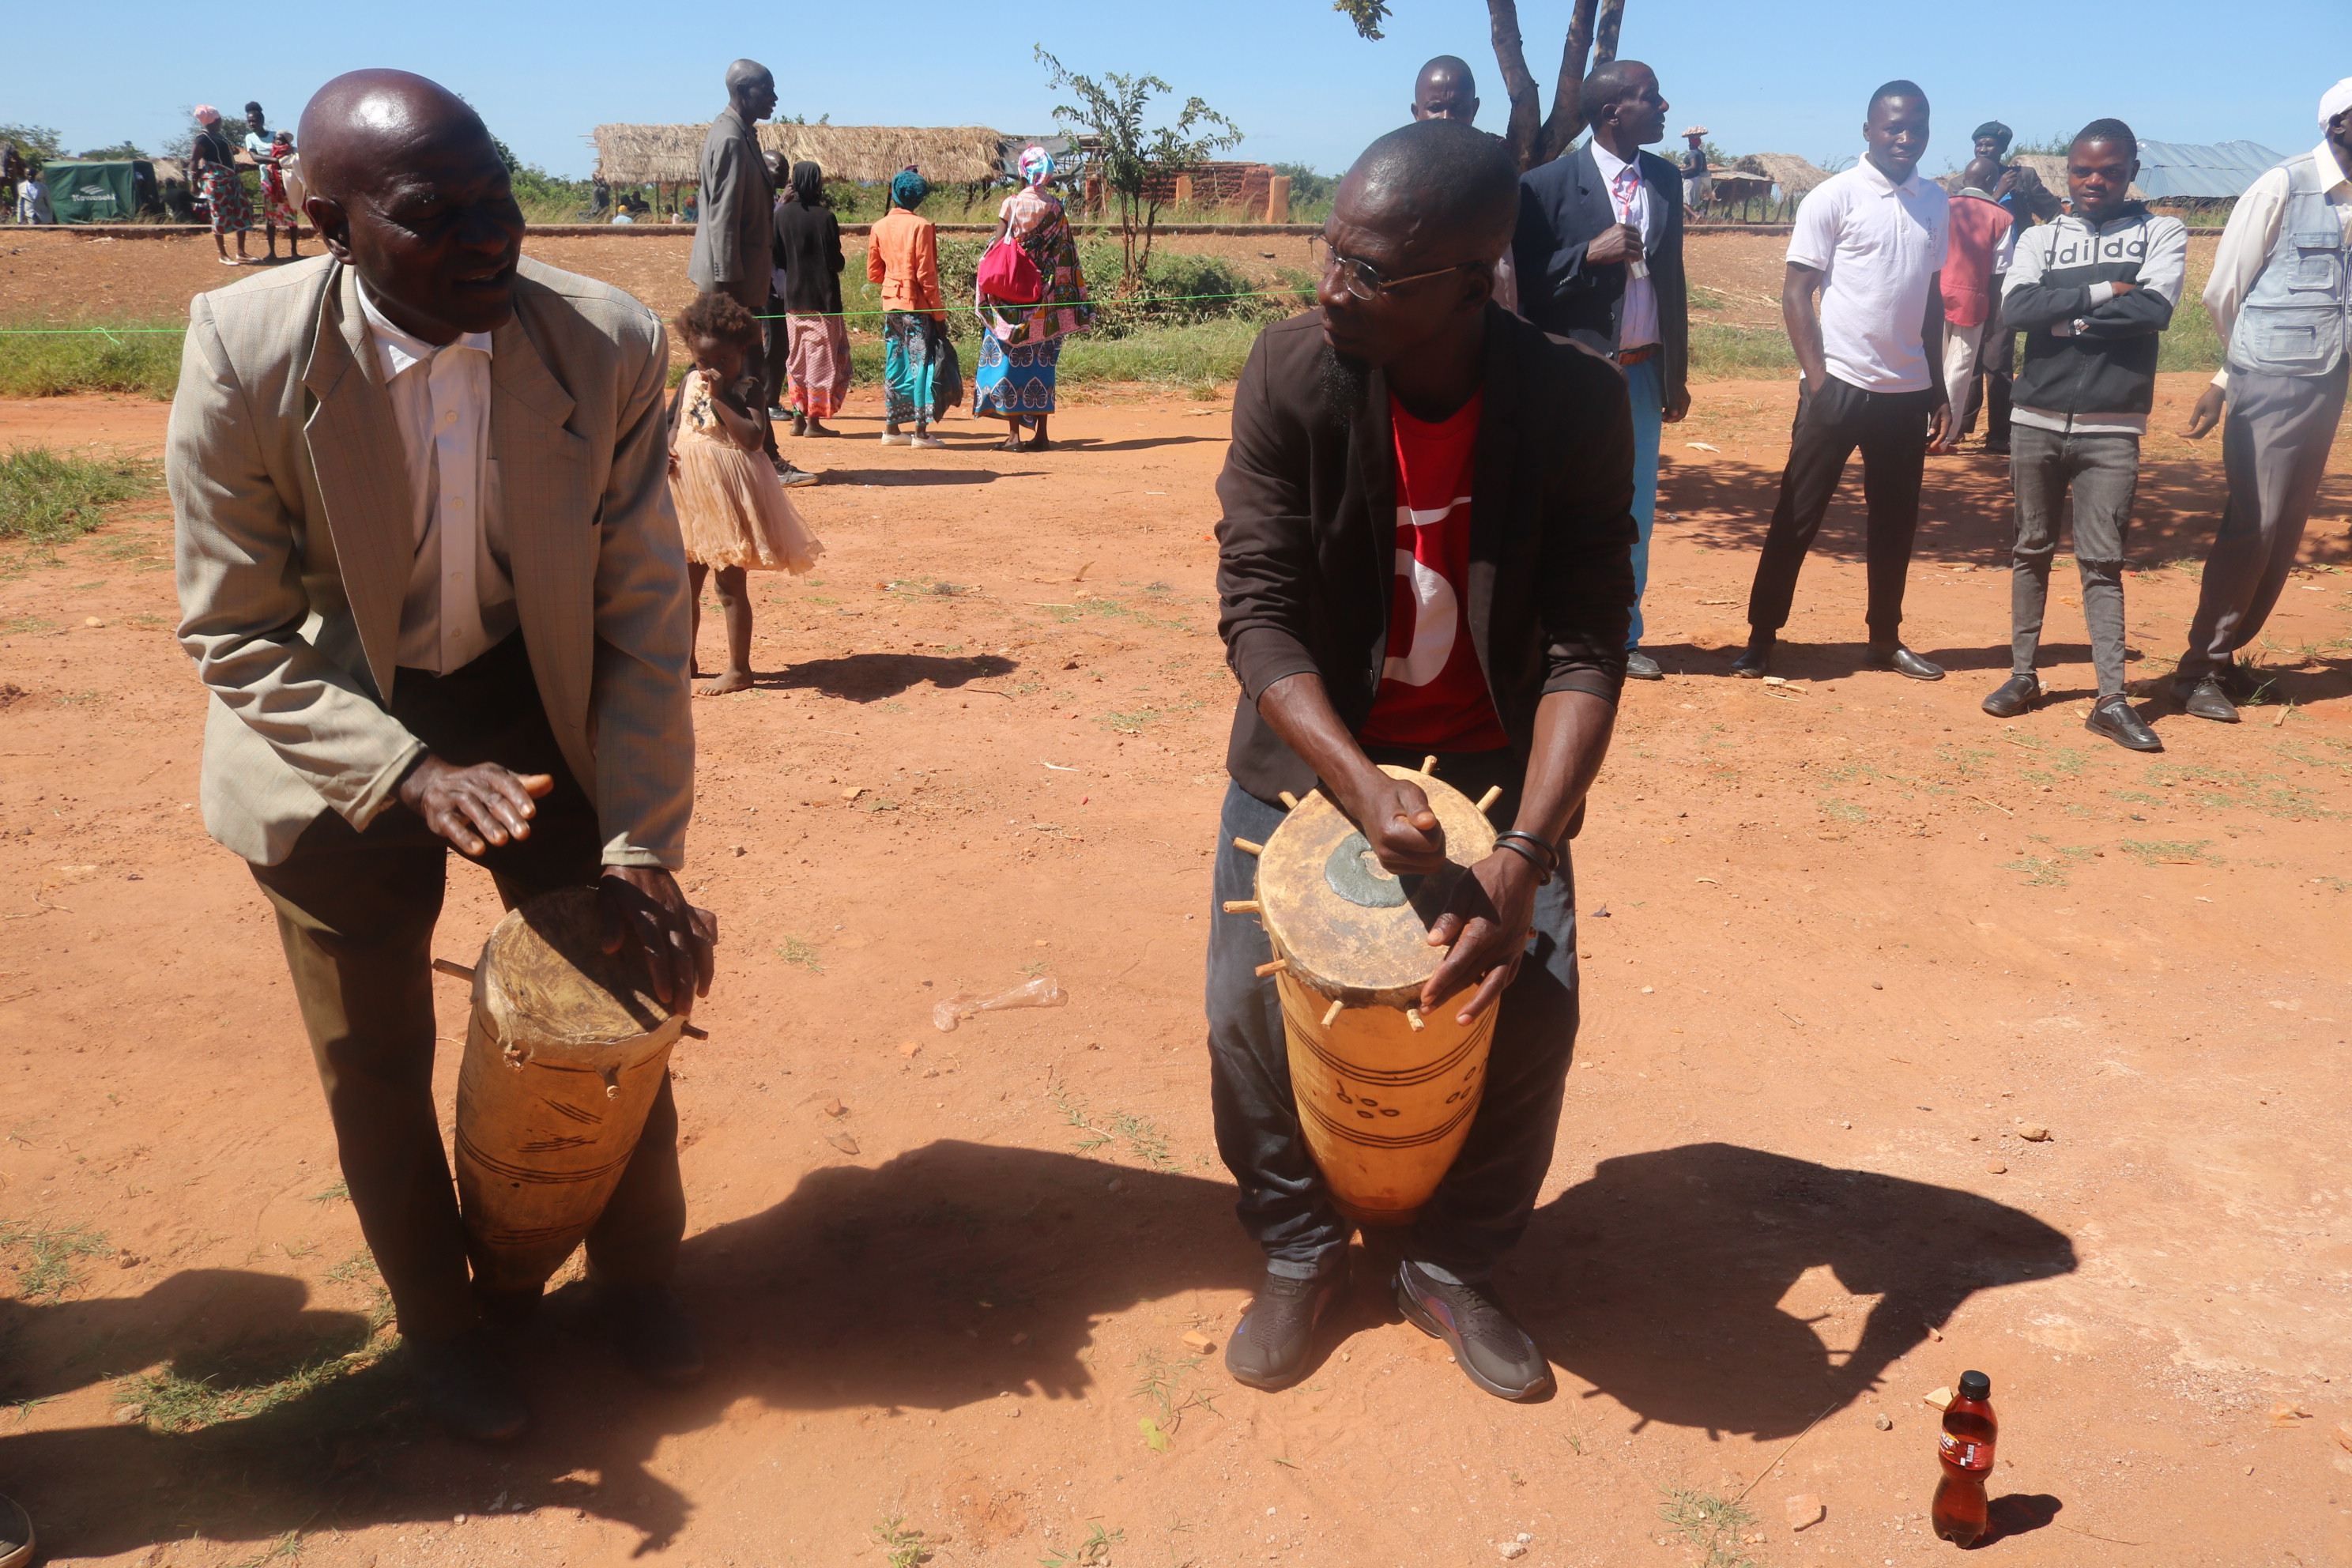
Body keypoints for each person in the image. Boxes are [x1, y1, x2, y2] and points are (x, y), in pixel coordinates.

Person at [168, 69, 715, 1443]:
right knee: (374, 1054)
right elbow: (234, 634)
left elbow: (643, 615)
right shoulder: (245, 351)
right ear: (325, 214)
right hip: (329, 731)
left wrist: (642, 843)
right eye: (435, 212)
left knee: (622, 991)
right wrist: (404, 770)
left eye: (500, 193)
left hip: (530, 706)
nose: (492, 235)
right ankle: (447, 1323)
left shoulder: (603, 344)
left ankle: (639, 1273)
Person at [1210, 117, 1634, 1402]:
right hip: (1317, 754)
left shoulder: (1571, 400)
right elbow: (1260, 611)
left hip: (1495, 766)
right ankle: (1295, 1247)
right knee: (1245, 1000)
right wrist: (1358, 783)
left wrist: (1522, 854)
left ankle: (1451, 1261)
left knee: (1536, 996)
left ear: (1474, 274)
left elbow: (1583, 644)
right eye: (1331, 253)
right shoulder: (1291, 373)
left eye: (1372, 272)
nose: (1332, 287)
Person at [1731, 80, 1950, 682]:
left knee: (1896, 519)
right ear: (1869, 131)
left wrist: (1938, 384)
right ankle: (1761, 637)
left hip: (1905, 391)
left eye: (1918, 127)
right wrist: (1819, 378)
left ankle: (1885, 638)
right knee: (1797, 514)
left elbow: (1930, 300)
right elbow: (1797, 291)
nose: (1907, 139)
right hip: (1840, 386)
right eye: (1894, 127)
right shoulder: (1835, 197)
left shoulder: (1935, 202)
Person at [1984, 120, 2184, 752]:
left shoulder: (2162, 231)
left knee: (2103, 561)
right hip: (2035, 418)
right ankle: (2023, 676)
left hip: (2113, 425)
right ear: (2068, 172)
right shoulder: (2039, 237)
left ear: (2131, 172)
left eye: (2110, 170)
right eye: (2083, 170)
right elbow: (2015, 311)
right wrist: (2105, 291)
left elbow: (2154, 311)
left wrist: (2066, 314)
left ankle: (2112, 699)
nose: (2095, 181)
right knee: (2030, 548)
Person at [2170, 81, 2352, 724]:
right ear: (2338, 125)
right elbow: (2225, 291)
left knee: (2288, 525)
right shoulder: (2283, 184)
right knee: (2257, 521)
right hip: (2270, 378)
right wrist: (2233, 373)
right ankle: (2197, 671)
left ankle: (2226, 658)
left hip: (2329, 380)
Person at [1517, 58, 1690, 682]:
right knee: (1558, 505)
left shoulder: (1665, 180)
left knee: (1634, 510)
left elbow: (1671, 283)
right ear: (1614, 112)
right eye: (1653, 97)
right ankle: (1543, 631)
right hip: (1572, 378)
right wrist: (1590, 254)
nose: (1664, 107)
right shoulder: (1546, 185)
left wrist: (1677, 374)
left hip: (1642, 375)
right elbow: (1525, 284)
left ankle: (1620, 635)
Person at [669, 292, 824, 696]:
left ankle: (739, 668)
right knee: (685, 584)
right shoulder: (687, 381)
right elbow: (674, 426)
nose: (714, 369)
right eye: (705, 362)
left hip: (728, 498)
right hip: (688, 495)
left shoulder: (749, 388)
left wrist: (721, 398)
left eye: (725, 361)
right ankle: (685, 658)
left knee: (728, 585)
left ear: (742, 351)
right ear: (692, 355)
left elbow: (754, 439)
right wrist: (665, 452)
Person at [688, 59, 815, 487]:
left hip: (738, 280)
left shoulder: (740, 136)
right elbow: (723, 220)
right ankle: (766, 461)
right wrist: (725, 298)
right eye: (768, 90)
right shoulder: (729, 140)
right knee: (740, 370)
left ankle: (742, 458)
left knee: (735, 371)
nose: (775, 99)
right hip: (731, 282)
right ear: (745, 91)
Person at [974, 146, 1093, 452]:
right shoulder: (1056, 207)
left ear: (1024, 171)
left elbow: (997, 245)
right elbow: (1066, 251)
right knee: (1042, 362)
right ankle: (1041, 435)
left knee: (1011, 360)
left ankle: (1014, 436)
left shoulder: (1012, 204)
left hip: (1015, 297)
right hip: (1047, 298)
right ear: (1048, 172)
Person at [1961, 121, 2065, 454]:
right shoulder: (1961, 182)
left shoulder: (2025, 177)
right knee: (1969, 352)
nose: (1983, 149)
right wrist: (1994, 193)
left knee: (1998, 354)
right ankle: (1961, 425)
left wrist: (2039, 248)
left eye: (1990, 145)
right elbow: (1965, 217)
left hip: (2008, 278)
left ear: (2003, 148)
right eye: (1979, 144)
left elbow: (2052, 213)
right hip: (1971, 277)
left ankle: (1999, 433)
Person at [1410, 55, 1517, 315]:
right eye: (1435, 107)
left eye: (1459, 108)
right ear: (1416, 112)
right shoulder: (1392, 175)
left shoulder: (1496, 172)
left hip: (1493, 332)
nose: (1448, 118)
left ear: (1475, 109)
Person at [1928, 156, 2015, 454]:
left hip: (1932, 296)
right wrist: (1992, 312)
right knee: (1959, 367)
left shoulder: (1942, 207)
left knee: (1931, 363)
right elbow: (1999, 271)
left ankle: (1921, 428)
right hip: (1973, 298)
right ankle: (1943, 437)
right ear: (1992, 183)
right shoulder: (2002, 217)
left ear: (1965, 179)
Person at [772, 159, 850, 437]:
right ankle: (814, 422)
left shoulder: (780, 216)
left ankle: (797, 418)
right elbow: (835, 261)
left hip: (793, 299)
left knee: (798, 357)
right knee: (820, 359)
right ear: (816, 183)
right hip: (823, 300)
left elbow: (778, 257)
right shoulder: (826, 217)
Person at [869, 168, 945, 448]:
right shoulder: (921, 227)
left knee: (894, 361)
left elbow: (873, 273)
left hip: (891, 303)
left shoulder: (879, 226)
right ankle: (921, 433)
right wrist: (939, 314)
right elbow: (927, 276)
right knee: (920, 364)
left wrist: (894, 277)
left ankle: (891, 427)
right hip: (917, 306)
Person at [189, 106, 251, 264]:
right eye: (220, 119)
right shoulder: (202, 138)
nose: (222, 121)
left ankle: (241, 252)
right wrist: (194, 183)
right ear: (215, 120)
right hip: (217, 181)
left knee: (242, 210)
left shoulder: (219, 136)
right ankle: (223, 255)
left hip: (232, 179)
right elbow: (194, 160)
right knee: (219, 214)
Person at [242, 103, 296, 261]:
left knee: (291, 212)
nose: (252, 124)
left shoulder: (275, 135)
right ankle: (272, 252)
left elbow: (289, 148)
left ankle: (294, 251)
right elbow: (255, 157)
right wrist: (275, 161)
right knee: (270, 215)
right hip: (267, 180)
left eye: (255, 121)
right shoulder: (250, 138)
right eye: (250, 121)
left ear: (262, 120)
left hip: (284, 178)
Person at [1679, 126, 1711, 214]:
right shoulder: (1701, 154)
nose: (1689, 145)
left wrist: (1681, 170)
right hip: (1697, 178)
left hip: (1690, 179)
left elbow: (1693, 166)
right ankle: (1690, 221)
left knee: (1683, 202)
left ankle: (1695, 215)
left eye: (1690, 143)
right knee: (1690, 203)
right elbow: (1704, 168)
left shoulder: (1693, 153)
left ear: (1692, 143)